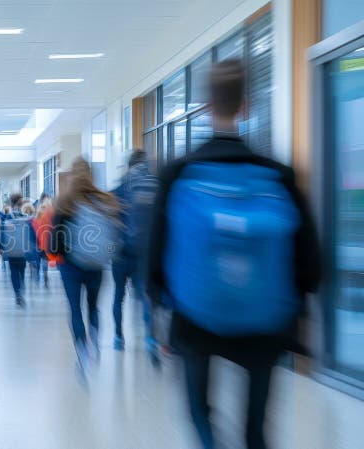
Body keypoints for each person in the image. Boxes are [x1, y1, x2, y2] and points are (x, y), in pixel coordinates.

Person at [147, 60, 321, 449]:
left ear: (207, 108)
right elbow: (310, 258)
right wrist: (300, 304)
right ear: (247, 107)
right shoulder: (279, 174)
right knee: (256, 428)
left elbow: (156, 252)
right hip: (266, 317)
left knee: (198, 410)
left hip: (195, 315)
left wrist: (158, 303)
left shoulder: (179, 173)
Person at [51, 157, 121, 382]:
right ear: (91, 175)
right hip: (97, 265)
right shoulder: (104, 200)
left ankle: (82, 351)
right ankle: (96, 340)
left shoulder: (64, 202)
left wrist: (63, 253)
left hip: (70, 265)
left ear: (72, 175)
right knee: (93, 307)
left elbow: (53, 243)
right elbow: (115, 237)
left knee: (75, 309)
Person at [111, 149, 159, 361]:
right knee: (145, 295)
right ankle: (150, 337)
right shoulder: (154, 187)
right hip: (143, 251)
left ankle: (118, 337)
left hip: (120, 252)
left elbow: (109, 221)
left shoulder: (116, 191)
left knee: (118, 295)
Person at [0, 193, 34, 307]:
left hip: (11, 250)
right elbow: (30, 234)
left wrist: (1, 247)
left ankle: (17, 292)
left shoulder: (7, 217)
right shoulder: (25, 217)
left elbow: (2, 233)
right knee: (22, 271)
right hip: (23, 250)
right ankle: (21, 288)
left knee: (13, 272)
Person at [32, 197, 53, 288]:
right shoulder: (50, 218)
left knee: (37, 261)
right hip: (46, 243)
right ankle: (45, 275)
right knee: (45, 261)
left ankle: (37, 276)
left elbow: (34, 232)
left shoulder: (35, 219)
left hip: (37, 243)